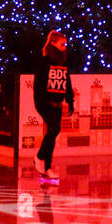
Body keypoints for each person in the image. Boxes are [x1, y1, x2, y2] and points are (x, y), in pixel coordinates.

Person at [33, 30, 74, 185]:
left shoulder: (62, 61)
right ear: (53, 44)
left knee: (54, 132)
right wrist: (41, 102)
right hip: (45, 103)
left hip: (57, 103)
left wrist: (70, 100)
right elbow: (38, 85)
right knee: (54, 129)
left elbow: (66, 81)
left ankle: (48, 167)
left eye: (65, 44)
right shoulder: (44, 62)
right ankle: (39, 157)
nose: (65, 47)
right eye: (62, 44)